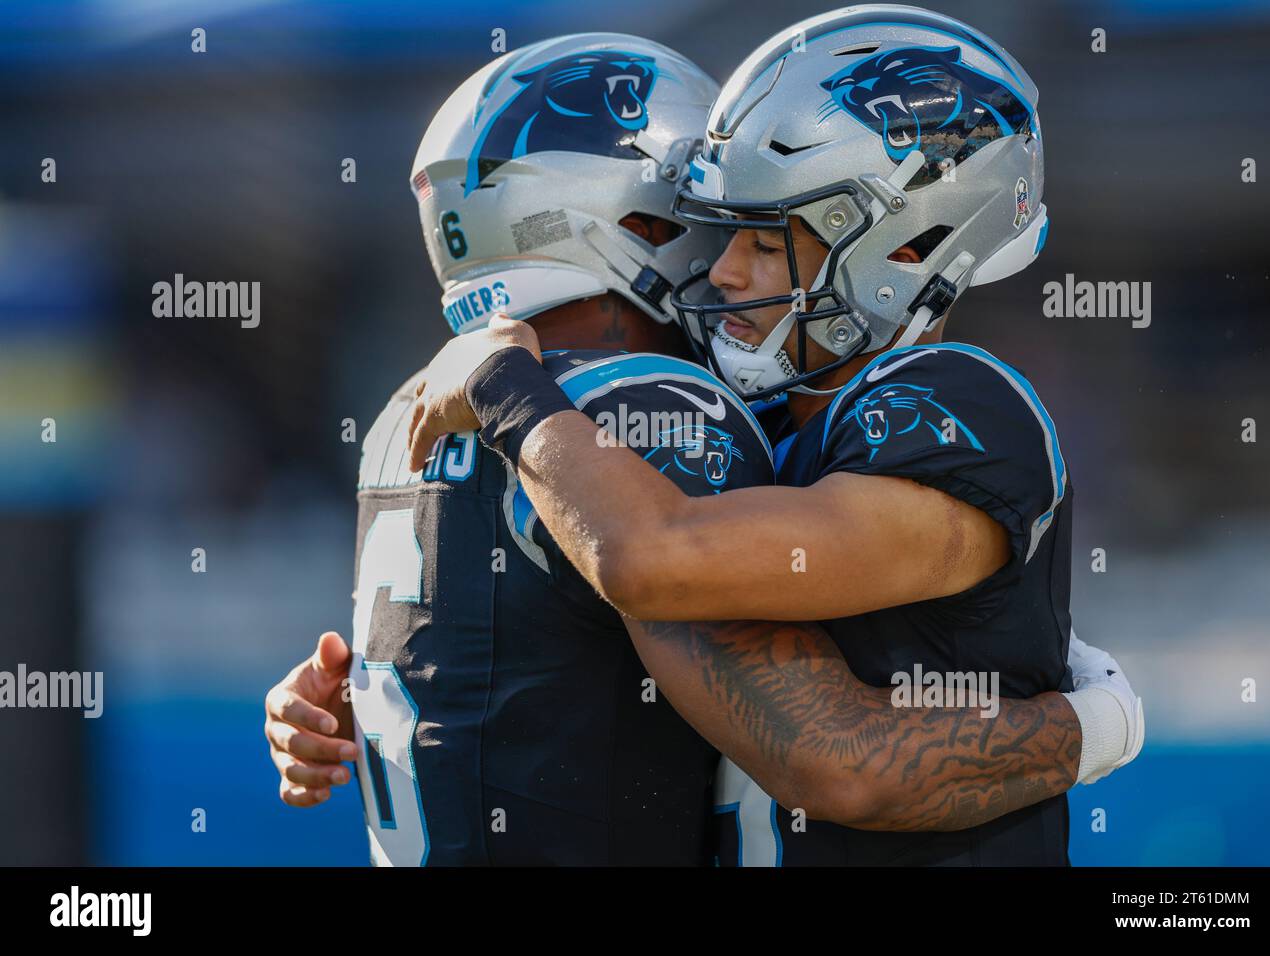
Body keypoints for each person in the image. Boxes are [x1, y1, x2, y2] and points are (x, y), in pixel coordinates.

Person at [403, 7, 1143, 865]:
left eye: (764, 242)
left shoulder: (957, 404)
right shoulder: (763, 419)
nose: (721, 271)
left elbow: (652, 563)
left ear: (908, 250)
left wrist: (505, 386)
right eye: (724, 233)